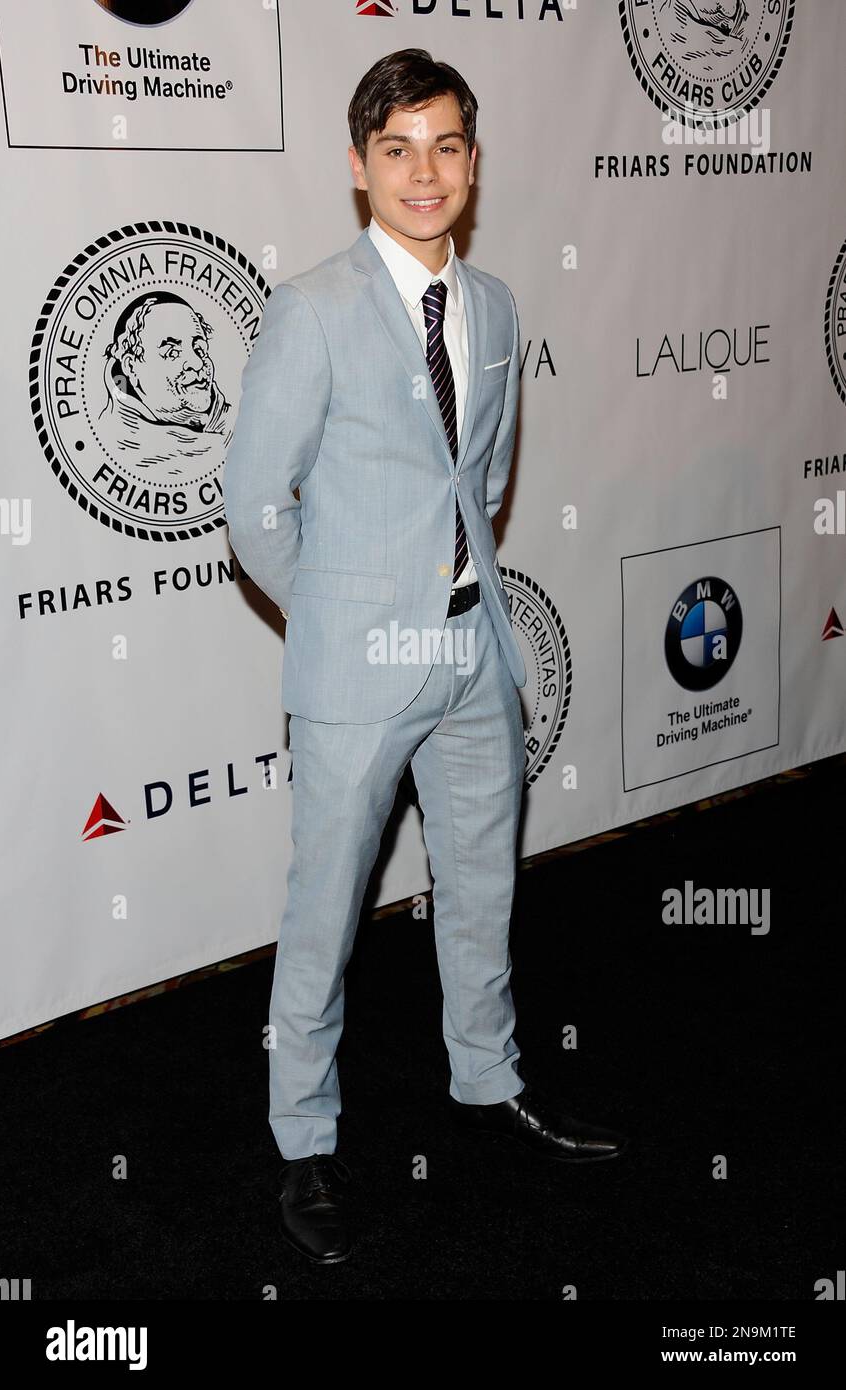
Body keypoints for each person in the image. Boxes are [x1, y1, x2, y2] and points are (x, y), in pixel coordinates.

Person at [223, 47, 628, 1266]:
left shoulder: (493, 306)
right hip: (357, 668)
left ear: (472, 161)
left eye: (445, 146)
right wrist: (339, 618)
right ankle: (304, 1143)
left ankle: (486, 1080)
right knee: (325, 914)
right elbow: (255, 509)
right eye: (396, 149)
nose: (423, 172)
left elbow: (481, 480)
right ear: (358, 167)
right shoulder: (312, 309)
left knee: (483, 885)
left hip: (472, 650)